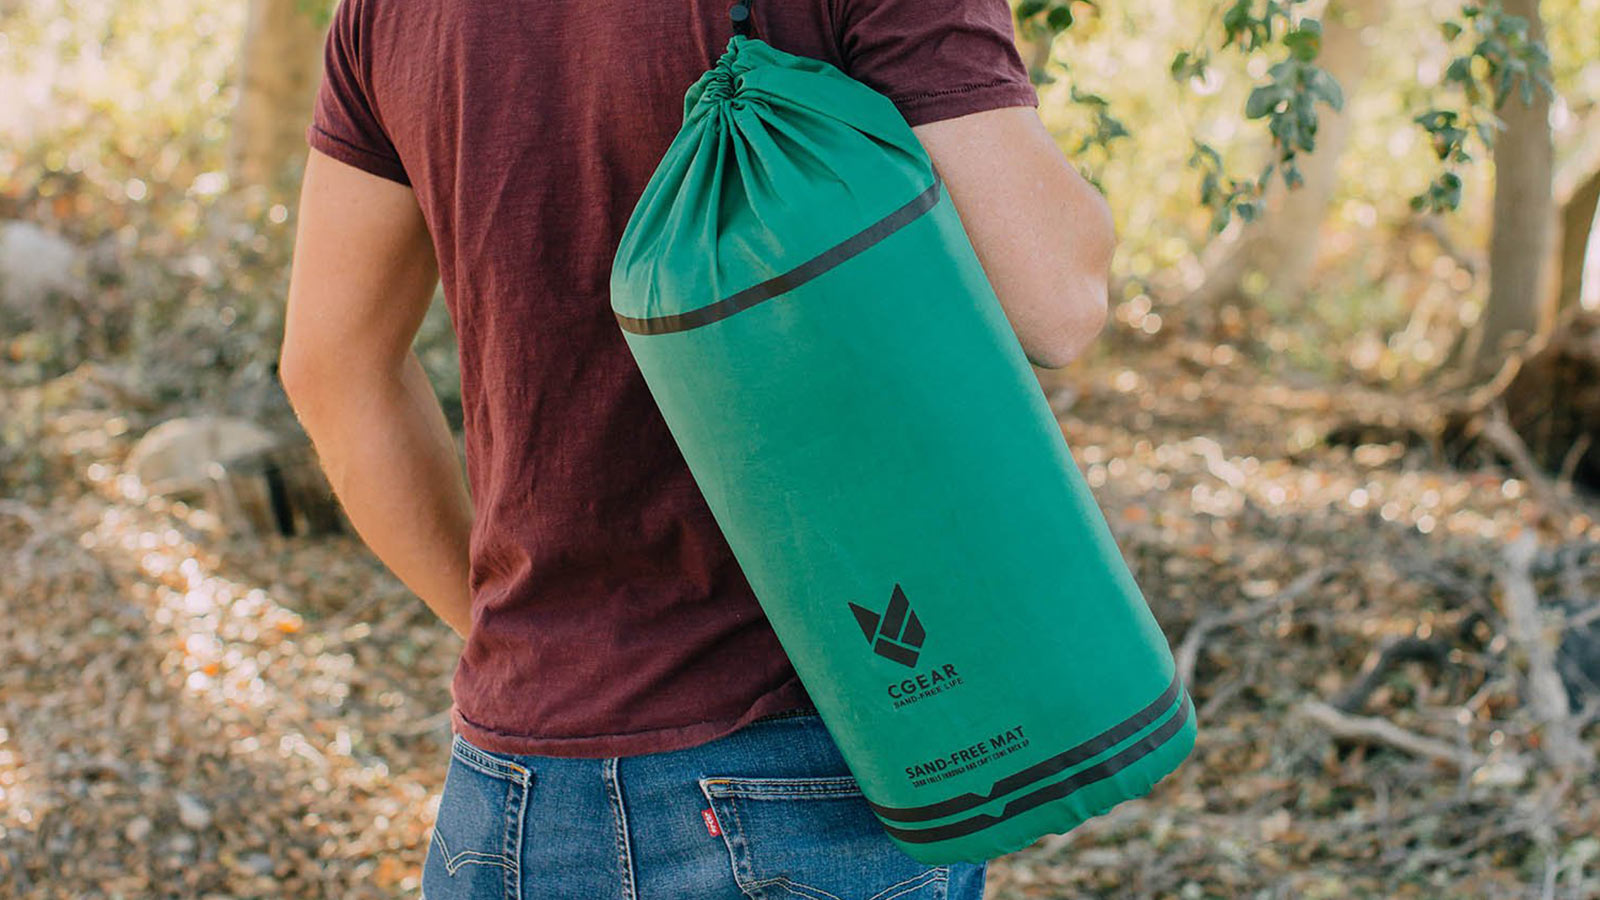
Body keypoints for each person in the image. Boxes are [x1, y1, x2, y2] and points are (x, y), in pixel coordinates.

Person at [278, 0, 1115, 895]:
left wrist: (530, 643)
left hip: (511, 787)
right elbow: (1055, 298)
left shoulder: (386, 14)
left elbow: (331, 369)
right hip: (820, 757)